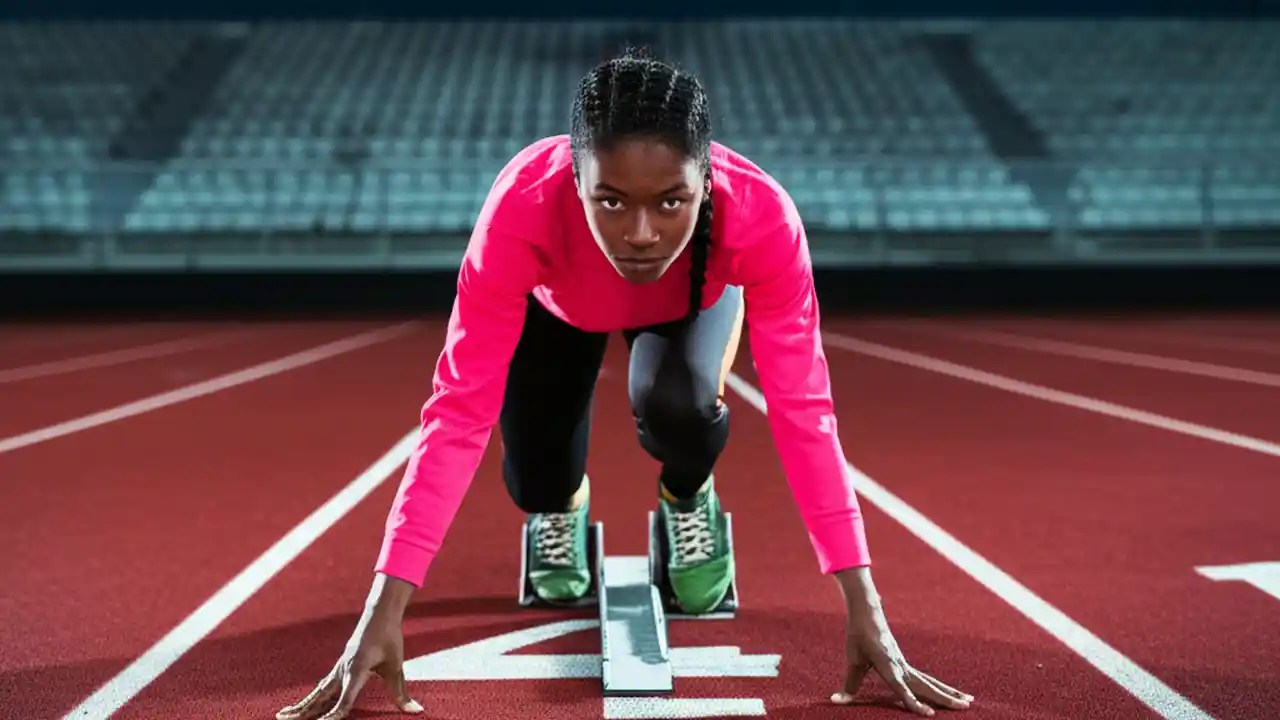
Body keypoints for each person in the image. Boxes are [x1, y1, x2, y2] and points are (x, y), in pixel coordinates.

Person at [277, 47, 974, 720]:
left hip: (692, 301)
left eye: (672, 201)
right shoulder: (519, 209)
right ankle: (561, 506)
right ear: (572, 179)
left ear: (708, 179)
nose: (641, 233)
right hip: (557, 310)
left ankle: (688, 493)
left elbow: (804, 412)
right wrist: (383, 610)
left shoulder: (760, 218)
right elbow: (457, 412)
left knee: (682, 406)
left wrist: (864, 607)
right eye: (609, 202)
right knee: (535, 474)